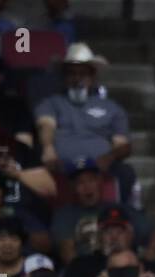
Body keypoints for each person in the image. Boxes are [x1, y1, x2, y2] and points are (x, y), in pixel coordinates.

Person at [35, 43, 136, 205]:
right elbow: (46, 126)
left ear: (92, 77)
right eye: (72, 74)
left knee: (126, 172)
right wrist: (48, 149)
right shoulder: (51, 103)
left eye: (83, 74)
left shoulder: (111, 107)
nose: (77, 79)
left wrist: (109, 157)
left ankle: (116, 215)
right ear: (64, 76)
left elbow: (123, 145)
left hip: (99, 167)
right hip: (64, 167)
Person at [52, 158, 155, 266]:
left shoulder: (120, 209)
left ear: (100, 181)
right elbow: (68, 254)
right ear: (72, 187)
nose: (87, 187)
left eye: (91, 180)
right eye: (80, 183)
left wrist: (150, 253)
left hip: (122, 269)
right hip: (84, 270)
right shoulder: (65, 215)